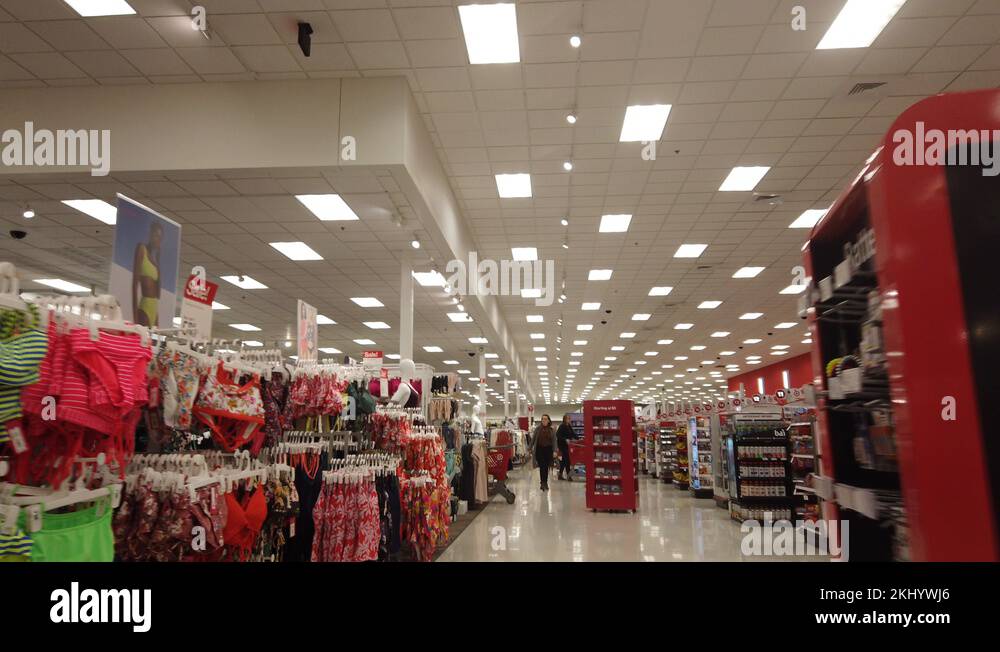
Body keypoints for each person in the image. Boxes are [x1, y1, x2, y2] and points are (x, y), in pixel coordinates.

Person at [132, 222, 163, 327]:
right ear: (150, 235)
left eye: (160, 237)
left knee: (154, 342)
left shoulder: (155, 262)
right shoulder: (141, 249)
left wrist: (159, 260)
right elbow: (134, 286)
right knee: (143, 341)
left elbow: (158, 293)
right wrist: (135, 319)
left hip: (154, 308)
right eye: (156, 235)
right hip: (144, 307)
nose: (158, 239)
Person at [532, 414, 556, 491]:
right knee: (542, 466)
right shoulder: (538, 429)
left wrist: (555, 451)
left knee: (546, 467)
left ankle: (545, 482)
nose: (544, 420)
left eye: (545, 419)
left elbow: (554, 441)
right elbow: (533, 439)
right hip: (540, 450)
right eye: (543, 419)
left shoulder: (551, 430)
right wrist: (529, 448)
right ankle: (543, 483)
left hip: (548, 450)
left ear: (548, 420)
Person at [556, 414, 575, 481]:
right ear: (564, 419)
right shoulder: (562, 426)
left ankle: (560, 475)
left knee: (564, 461)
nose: (569, 420)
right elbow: (557, 435)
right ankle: (569, 476)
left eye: (569, 418)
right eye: (567, 418)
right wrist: (565, 439)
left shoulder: (569, 426)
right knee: (567, 460)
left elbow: (573, 434)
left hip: (568, 446)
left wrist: (579, 438)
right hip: (562, 445)